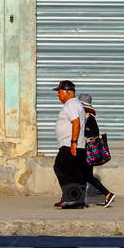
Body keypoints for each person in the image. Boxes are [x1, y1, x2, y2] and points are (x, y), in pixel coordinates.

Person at [52, 79, 90, 209]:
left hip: (70, 144)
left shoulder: (71, 104)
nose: (58, 94)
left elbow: (76, 122)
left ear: (68, 92)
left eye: (59, 91)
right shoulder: (75, 104)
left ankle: (71, 198)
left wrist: (73, 142)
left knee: (61, 168)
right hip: (74, 144)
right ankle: (76, 200)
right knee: (74, 172)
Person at [77, 93, 114, 206]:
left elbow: (93, 134)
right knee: (86, 176)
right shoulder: (85, 117)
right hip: (85, 151)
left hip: (87, 152)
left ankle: (107, 194)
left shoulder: (89, 118)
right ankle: (106, 194)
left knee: (84, 175)